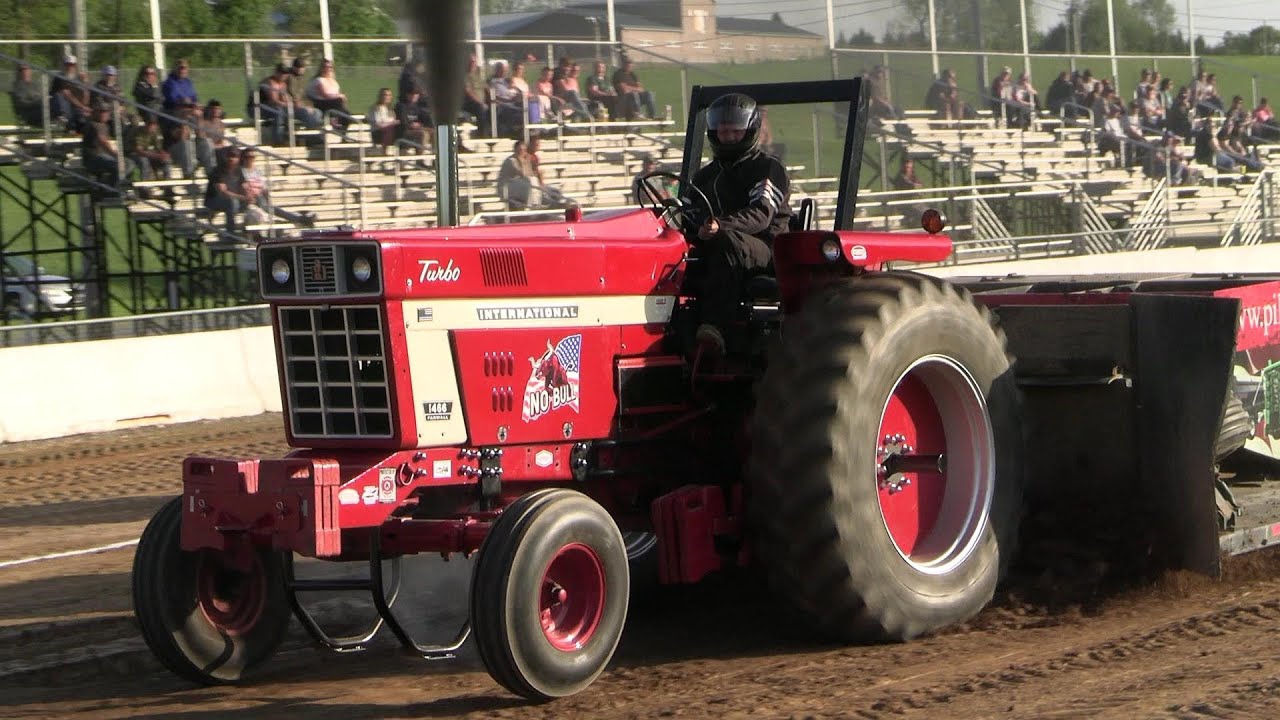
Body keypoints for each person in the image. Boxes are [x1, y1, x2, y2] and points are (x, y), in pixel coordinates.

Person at [687, 92, 791, 356]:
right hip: (716, 242)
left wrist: (719, 226)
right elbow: (689, 213)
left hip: (766, 249)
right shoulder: (704, 176)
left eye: (735, 131)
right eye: (723, 131)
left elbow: (760, 214)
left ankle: (715, 329)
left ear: (750, 131)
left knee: (726, 242)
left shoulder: (768, 168)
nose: (728, 137)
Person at [306, 59, 352, 132]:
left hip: (334, 104)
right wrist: (339, 96)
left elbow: (338, 93)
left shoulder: (333, 81)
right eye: (325, 67)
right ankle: (335, 121)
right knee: (338, 100)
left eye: (330, 67)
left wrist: (341, 96)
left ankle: (342, 132)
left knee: (347, 114)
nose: (328, 69)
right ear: (321, 68)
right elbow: (324, 95)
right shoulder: (318, 80)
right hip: (321, 104)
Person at [10, 62, 43, 127]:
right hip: (28, 114)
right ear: (19, 73)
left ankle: (63, 118)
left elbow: (40, 96)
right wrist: (36, 102)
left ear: (30, 71)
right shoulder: (18, 86)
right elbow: (22, 103)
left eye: (26, 69)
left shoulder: (35, 85)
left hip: (40, 109)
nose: (24, 72)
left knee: (56, 98)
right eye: (22, 70)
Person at [367, 87, 398, 152]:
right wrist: (392, 123)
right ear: (380, 96)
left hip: (389, 132)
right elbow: (378, 124)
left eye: (389, 95)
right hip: (378, 133)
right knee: (390, 129)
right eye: (385, 95)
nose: (387, 97)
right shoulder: (376, 108)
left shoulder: (391, 110)